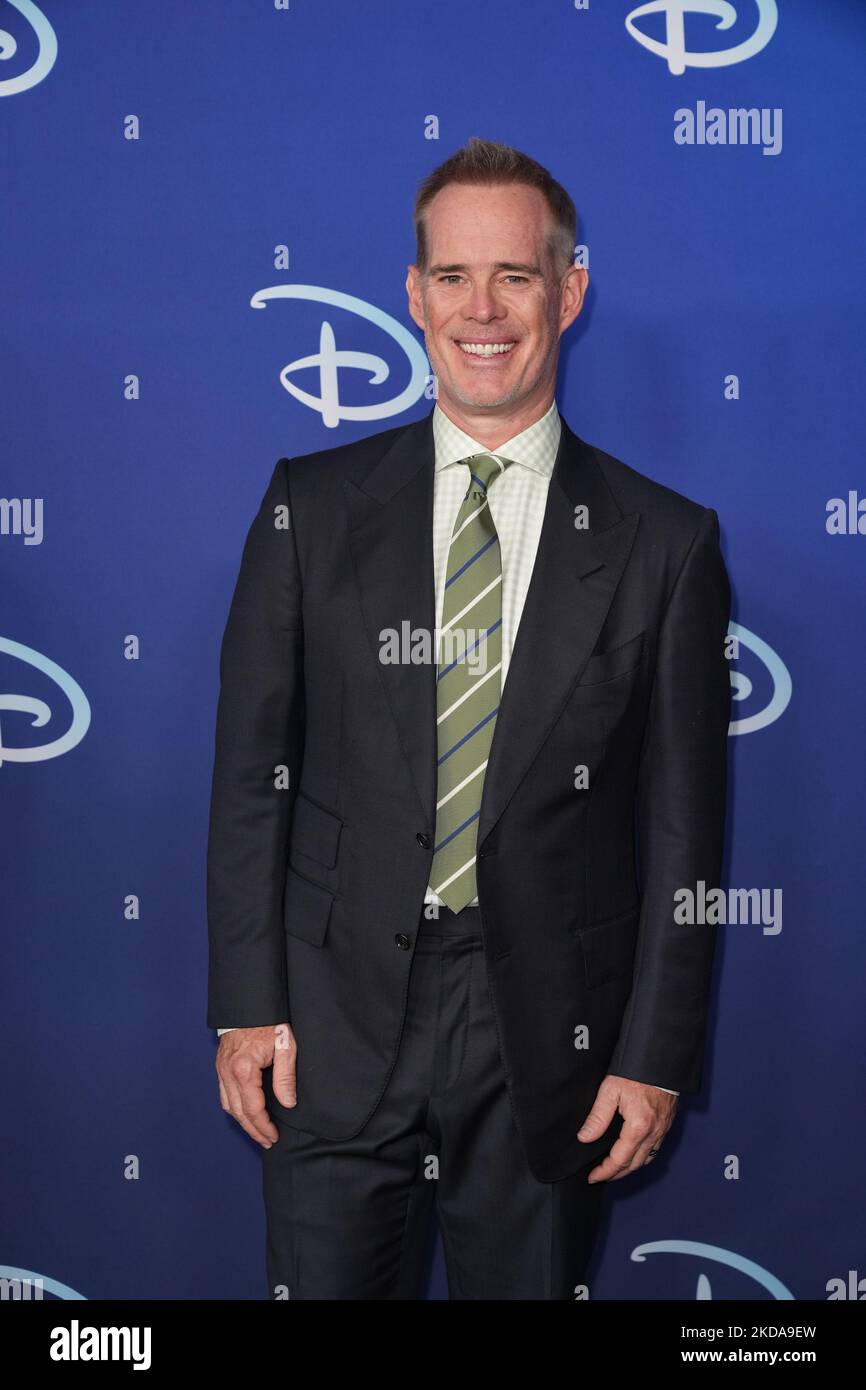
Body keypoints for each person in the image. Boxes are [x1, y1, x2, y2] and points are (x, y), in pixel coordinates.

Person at [206, 137, 731, 1300]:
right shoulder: (312, 506)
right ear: (413, 294)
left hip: (550, 1043)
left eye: (514, 276)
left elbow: (686, 830)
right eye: (451, 277)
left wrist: (650, 1057)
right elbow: (252, 774)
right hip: (330, 1035)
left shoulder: (664, 542)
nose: (480, 310)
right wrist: (246, 1005)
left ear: (568, 290)